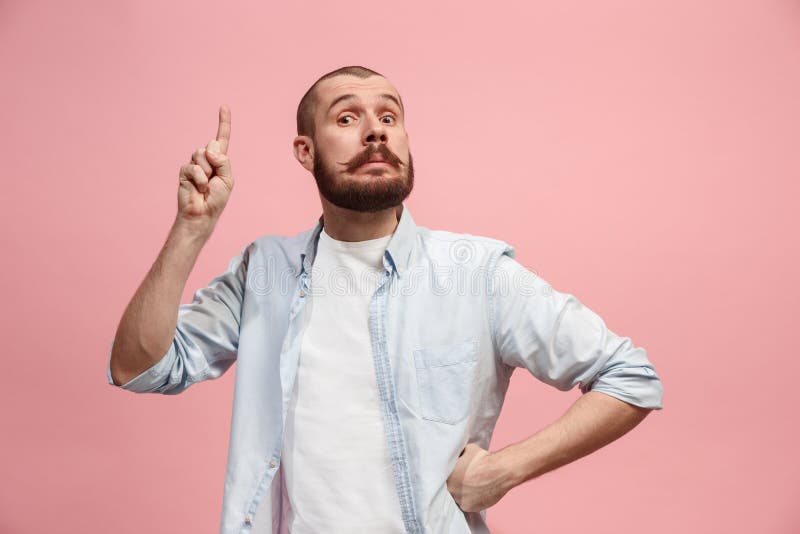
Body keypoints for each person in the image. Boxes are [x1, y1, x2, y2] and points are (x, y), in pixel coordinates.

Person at [107, 65, 663, 534]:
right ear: (304, 151)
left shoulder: (476, 275)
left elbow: (630, 377)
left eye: (389, 117)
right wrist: (190, 230)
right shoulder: (265, 273)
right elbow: (140, 367)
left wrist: (507, 469)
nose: (376, 132)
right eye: (347, 118)